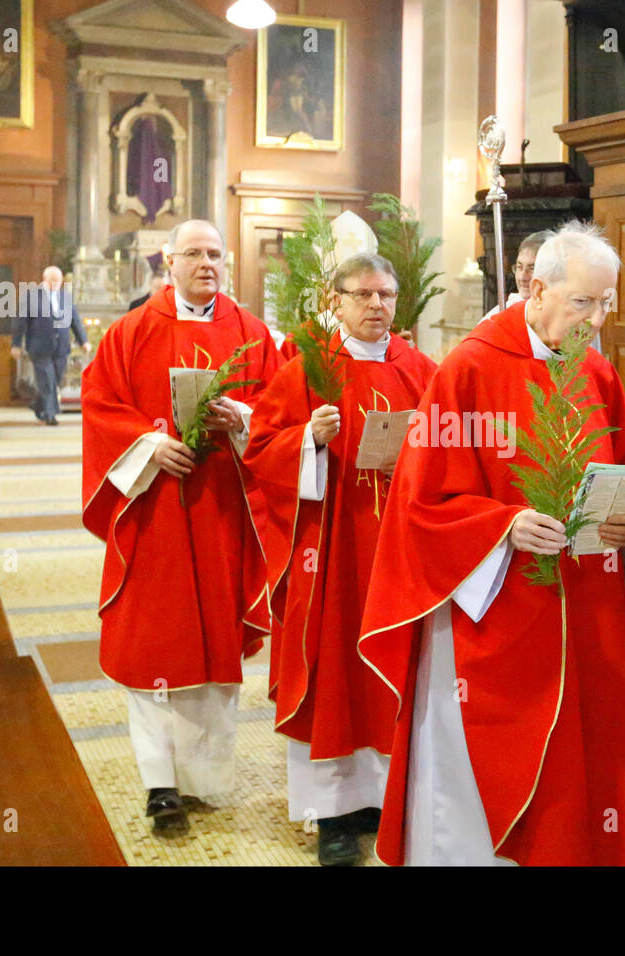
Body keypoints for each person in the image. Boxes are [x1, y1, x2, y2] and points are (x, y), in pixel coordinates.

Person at [358, 221, 625, 866]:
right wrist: (504, 525)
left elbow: (622, 469)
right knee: (489, 777)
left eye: (607, 302)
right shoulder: (470, 367)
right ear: (537, 288)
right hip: (495, 618)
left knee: (587, 764)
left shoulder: (596, 373)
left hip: (585, 605)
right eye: (584, 301)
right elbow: (422, 504)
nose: (597, 319)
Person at [81, 219, 281, 831]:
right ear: (168, 261)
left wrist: (242, 419)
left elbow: (279, 415)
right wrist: (147, 444)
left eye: (215, 254)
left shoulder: (251, 334)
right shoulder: (132, 332)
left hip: (224, 511)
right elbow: (99, 406)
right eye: (193, 253)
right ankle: (160, 783)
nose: (206, 264)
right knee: (153, 645)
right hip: (157, 513)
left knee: (215, 643)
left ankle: (204, 778)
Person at [245, 253, 438, 866]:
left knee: (394, 668)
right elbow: (259, 452)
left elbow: (451, 450)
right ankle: (330, 813)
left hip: (399, 550)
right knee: (332, 669)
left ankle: (384, 796)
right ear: (336, 302)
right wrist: (308, 439)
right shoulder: (310, 370)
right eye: (363, 295)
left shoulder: (425, 370)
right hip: (330, 554)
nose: (377, 306)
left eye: (386, 295)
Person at [12, 266, 90, 425]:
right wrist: (16, 344)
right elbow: (20, 322)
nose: (56, 283)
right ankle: (50, 415)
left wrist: (84, 341)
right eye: (53, 280)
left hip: (61, 347)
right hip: (39, 346)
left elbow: (75, 321)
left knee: (56, 379)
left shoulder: (65, 297)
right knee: (47, 379)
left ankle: (38, 406)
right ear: (44, 279)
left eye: (58, 281)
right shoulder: (31, 297)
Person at [481, 229, 553, 321]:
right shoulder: (500, 313)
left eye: (531, 268)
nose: (522, 277)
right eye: (519, 267)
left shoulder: (565, 312)